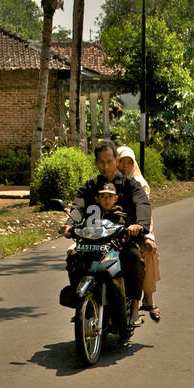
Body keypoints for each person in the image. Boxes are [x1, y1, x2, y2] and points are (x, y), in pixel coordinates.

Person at [65, 140, 150, 327]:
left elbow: (143, 204)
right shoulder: (90, 186)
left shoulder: (130, 184)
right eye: (101, 162)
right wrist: (70, 223)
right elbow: (77, 206)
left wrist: (139, 225)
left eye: (109, 161)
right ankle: (80, 302)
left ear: (116, 161)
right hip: (92, 240)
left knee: (134, 257)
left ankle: (134, 309)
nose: (105, 166)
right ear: (96, 163)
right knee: (73, 256)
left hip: (121, 240)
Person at [116, 145, 161, 322]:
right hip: (110, 230)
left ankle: (147, 299)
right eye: (122, 162)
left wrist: (146, 234)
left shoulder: (139, 185)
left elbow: (145, 212)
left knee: (148, 253)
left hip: (136, 230)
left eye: (130, 163)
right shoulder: (109, 182)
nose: (126, 166)